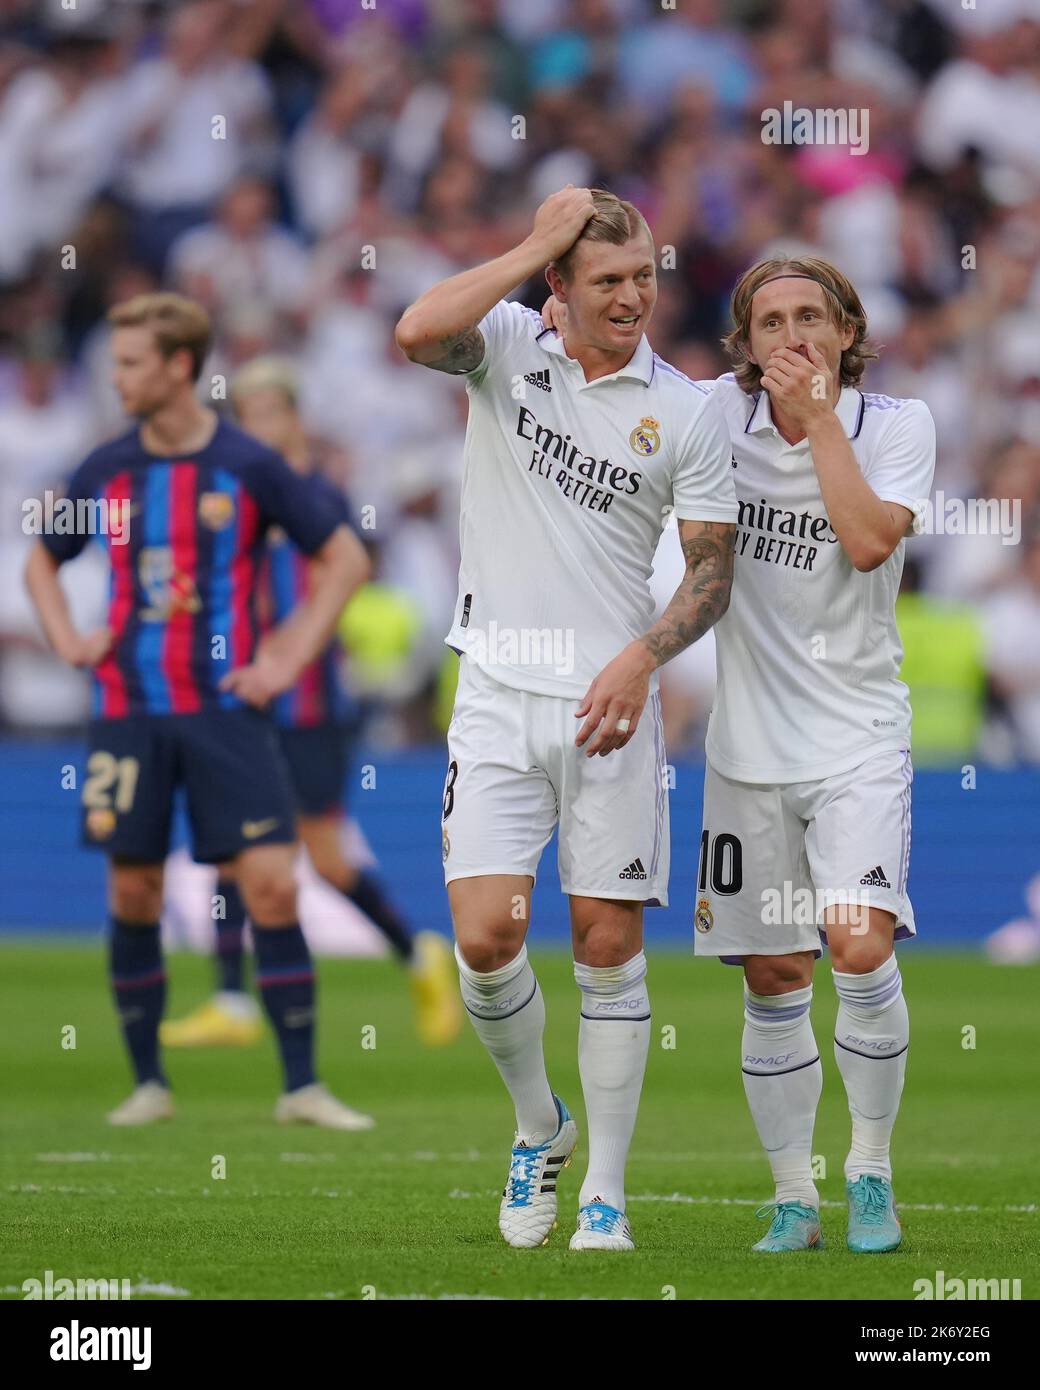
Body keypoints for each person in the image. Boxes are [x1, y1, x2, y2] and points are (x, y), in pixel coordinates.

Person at [395, 187, 737, 1250]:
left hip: (609, 702)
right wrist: (533, 243)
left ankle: (606, 1193)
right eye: (606, 280)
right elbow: (414, 328)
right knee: (485, 940)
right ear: (558, 284)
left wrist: (643, 659)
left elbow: (710, 571)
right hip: (495, 689)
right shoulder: (501, 347)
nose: (633, 296)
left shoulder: (685, 408)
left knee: (605, 942)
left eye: (642, 276)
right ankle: (539, 1126)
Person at [25, 293, 374, 1130]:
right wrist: (70, 639)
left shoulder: (249, 465)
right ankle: (148, 1082)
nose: (118, 379)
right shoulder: (105, 468)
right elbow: (41, 556)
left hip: (225, 712)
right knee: (135, 889)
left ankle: (302, 1088)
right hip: (128, 710)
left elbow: (346, 556)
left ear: (180, 366)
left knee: (268, 886)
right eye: (116, 364)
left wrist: (286, 655)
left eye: (132, 364)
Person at [696, 258, 935, 1253]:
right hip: (745, 746)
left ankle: (868, 1171)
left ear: (845, 330)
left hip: (856, 739)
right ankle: (794, 1197)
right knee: (771, 974)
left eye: (810, 316)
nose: (790, 335)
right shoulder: (714, 418)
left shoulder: (897, 425)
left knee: (858, 945)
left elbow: (869, 539)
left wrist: (821, 420)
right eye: (769, 321)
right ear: (743, 345)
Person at [160, 355, 462, 1050]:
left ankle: (415, 952)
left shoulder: (317, 499)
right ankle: (234, 1002)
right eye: (248, 417)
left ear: (293, 419)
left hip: (310, 707)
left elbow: (340, 577)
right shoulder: (239, 499)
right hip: (251, 703)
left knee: (324, 858)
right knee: (234, 848)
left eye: (268, 413)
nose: (257, 428)